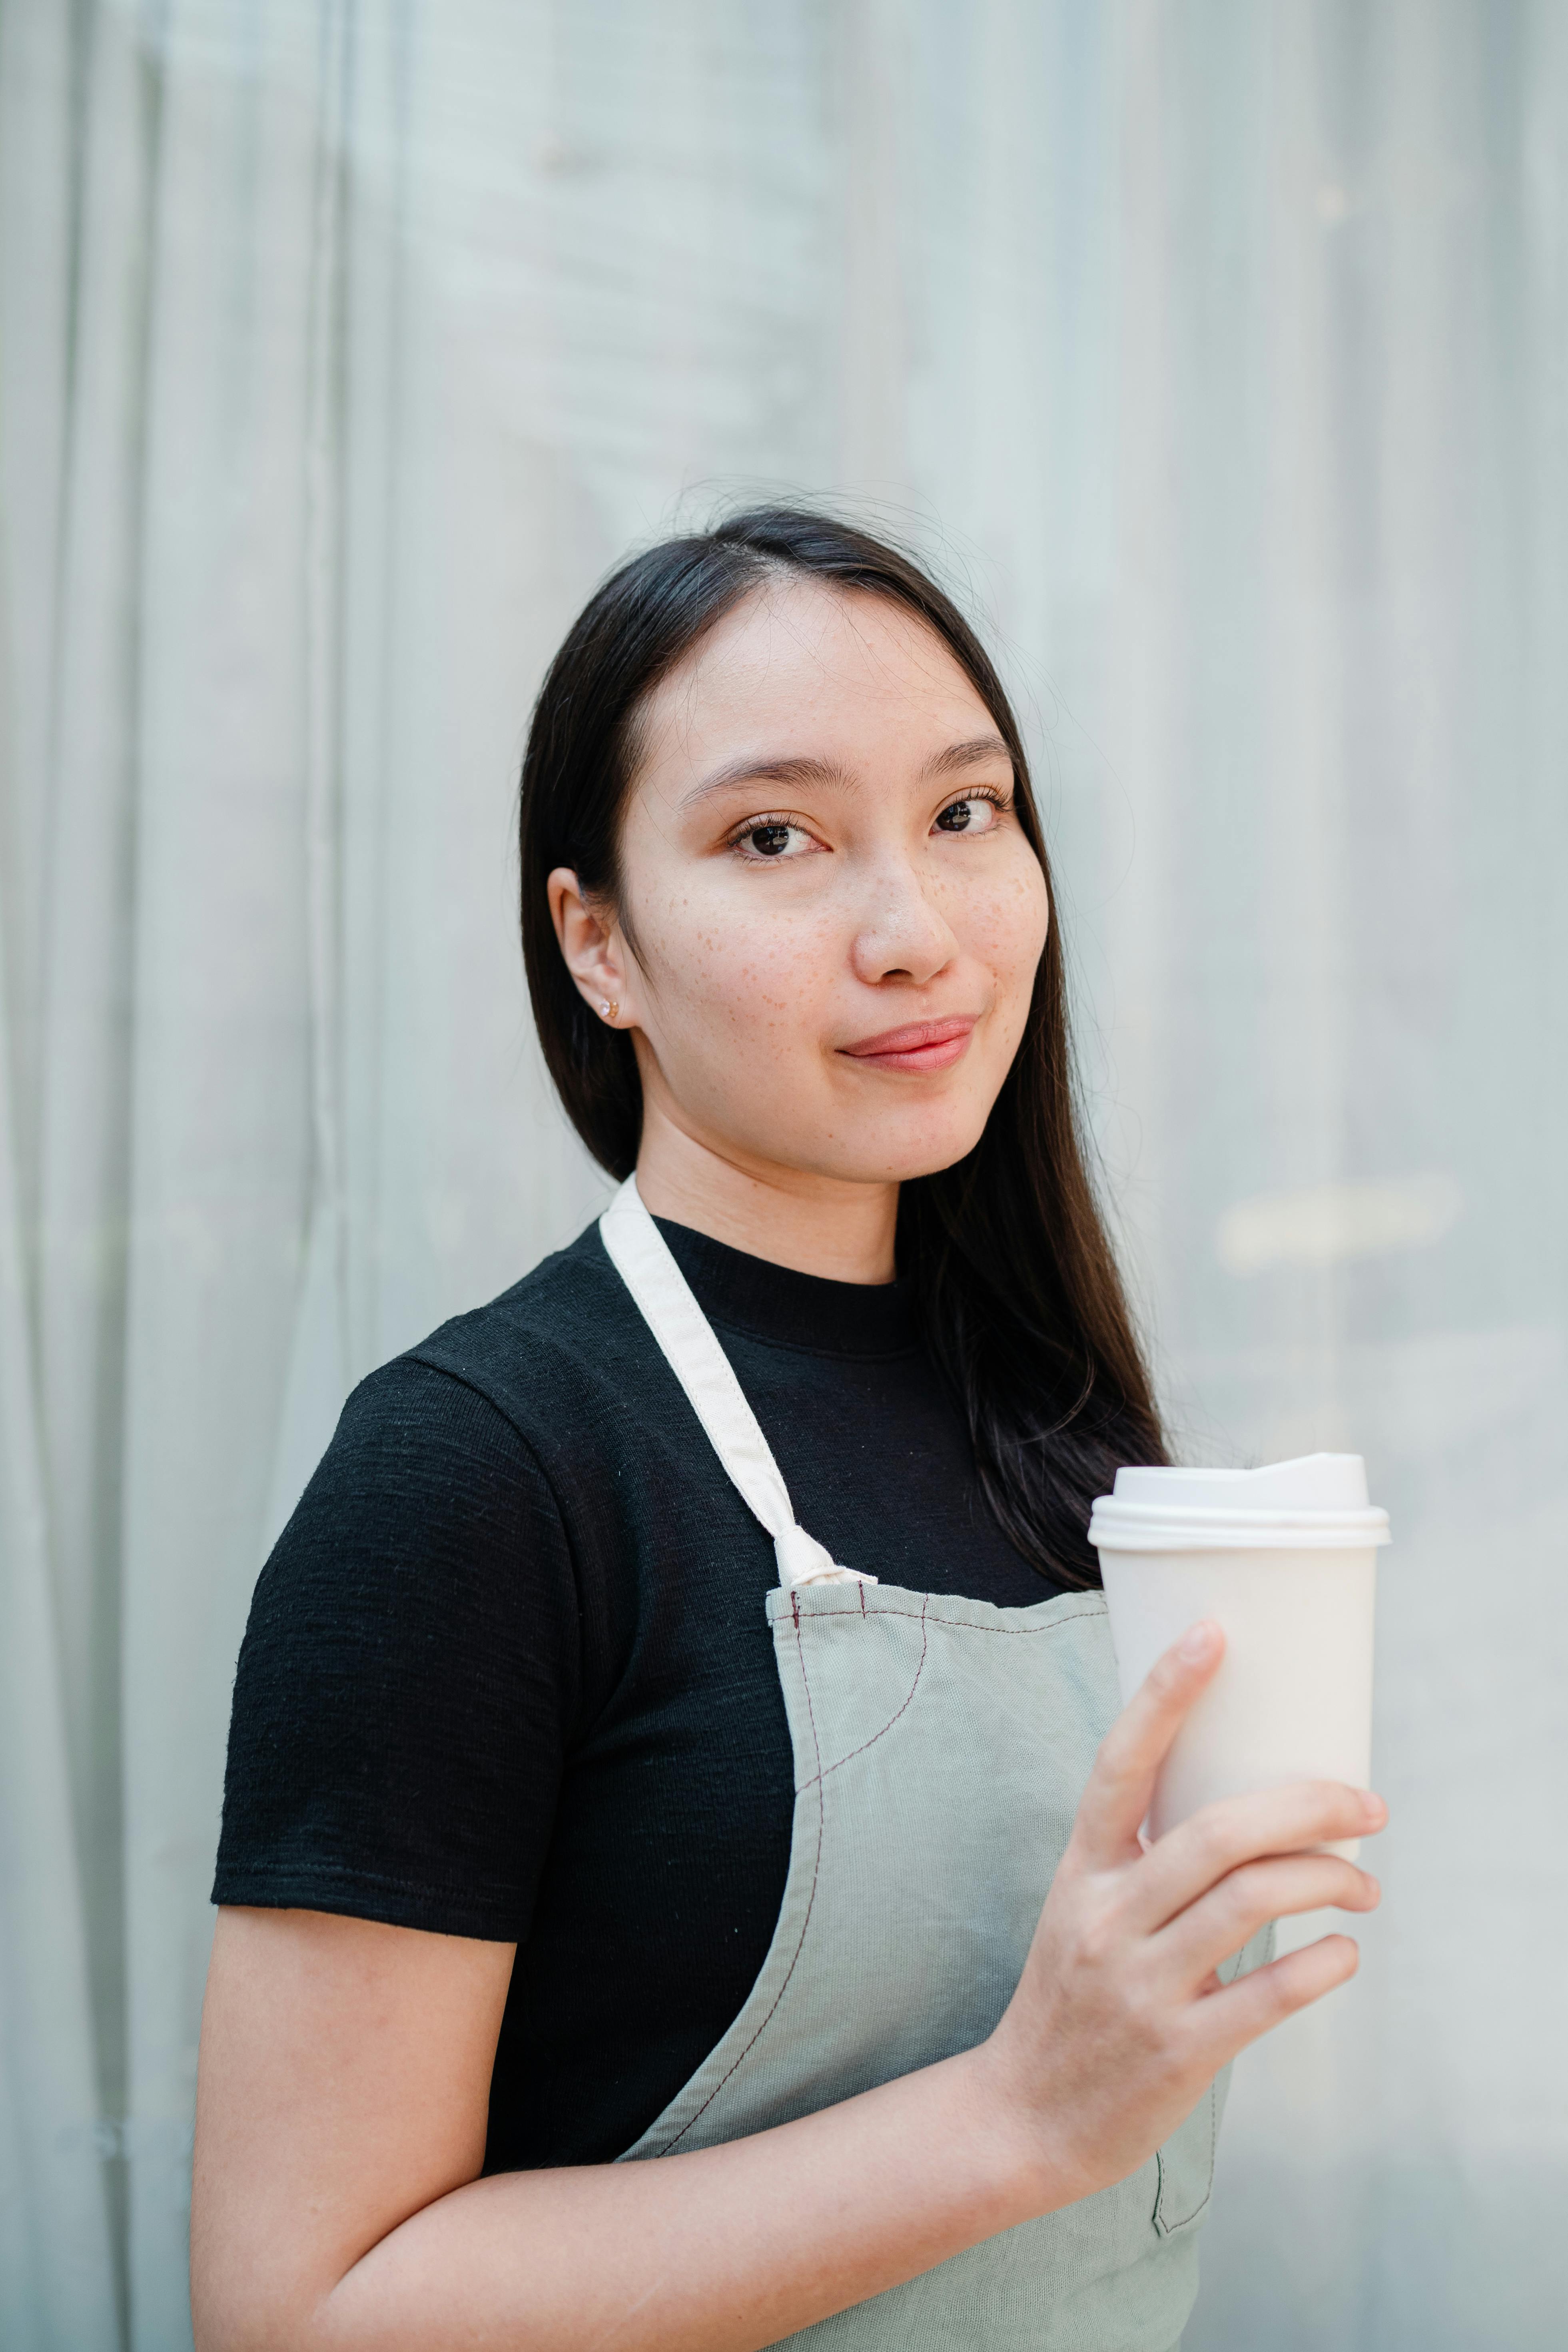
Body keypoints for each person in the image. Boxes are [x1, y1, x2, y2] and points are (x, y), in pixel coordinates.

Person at [192, 507, 1385, 2352]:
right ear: (597, 943)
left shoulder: (1054, 1418)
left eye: (966, 814)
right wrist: (1016, 2117)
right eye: (776, 837)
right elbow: (297, 2310)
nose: (915, 932)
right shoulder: (473, 1474)